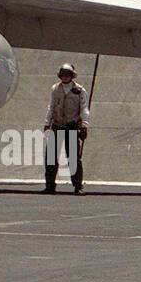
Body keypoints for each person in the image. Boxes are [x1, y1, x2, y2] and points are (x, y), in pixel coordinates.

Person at [43, 62, 89, 195]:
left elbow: (84, 108)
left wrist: (84, 125)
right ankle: (50, 186)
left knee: (74, 158)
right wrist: (47, 122)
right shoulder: (55, 88)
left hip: (72, 127)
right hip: (57, 125)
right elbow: (51, 106)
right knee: (51, 157)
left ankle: (78, 186)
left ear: (72, 76)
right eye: (63, 74)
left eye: (67, 74)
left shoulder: (80, 90)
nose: (65, 77)